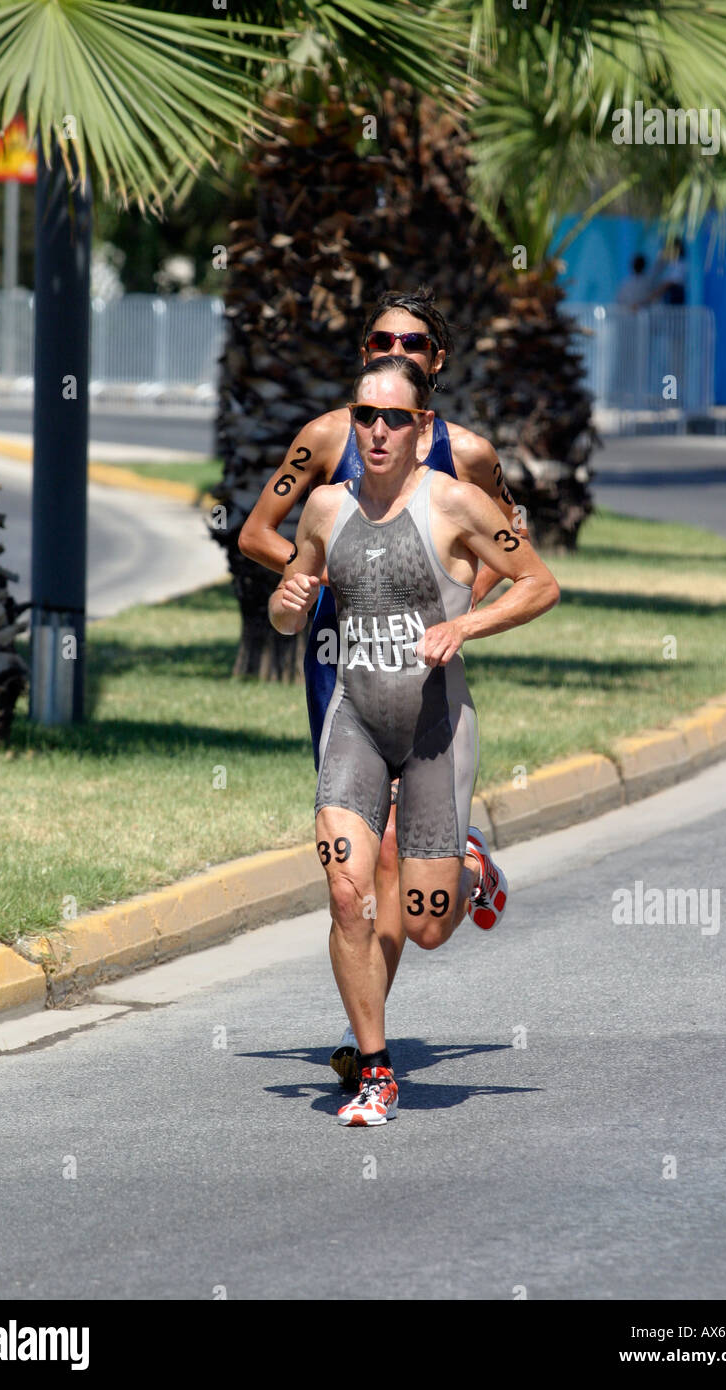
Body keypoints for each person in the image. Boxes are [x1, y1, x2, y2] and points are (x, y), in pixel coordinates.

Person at [239, 288, 522, 1089]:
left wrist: (464, 620)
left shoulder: (465, 456)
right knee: (356, 870)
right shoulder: (329, 435)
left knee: (403, 857)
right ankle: (371, 1053)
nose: (390, 347)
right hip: (338, 659)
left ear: (436, 363)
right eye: (377, 337)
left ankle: (459, 871)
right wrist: (314, 579)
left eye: (412, 340)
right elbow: (260, 532)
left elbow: (518, 550)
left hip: (421, 674)